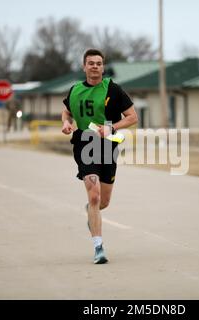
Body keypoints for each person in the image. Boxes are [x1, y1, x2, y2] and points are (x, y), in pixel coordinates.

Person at [61, 49, 138, 264]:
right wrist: (66, 123)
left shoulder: (113, 90)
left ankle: (90, 212)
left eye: (98, 63)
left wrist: (111, 127)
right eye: (90, 63)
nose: (95, 66)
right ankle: (98, 248)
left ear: (103, 67)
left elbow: (132, 117)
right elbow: (66, 110)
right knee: (93, 194)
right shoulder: (75, 90)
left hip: (107, 146)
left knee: (103, 201)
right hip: (84, 145)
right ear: (84, 67)